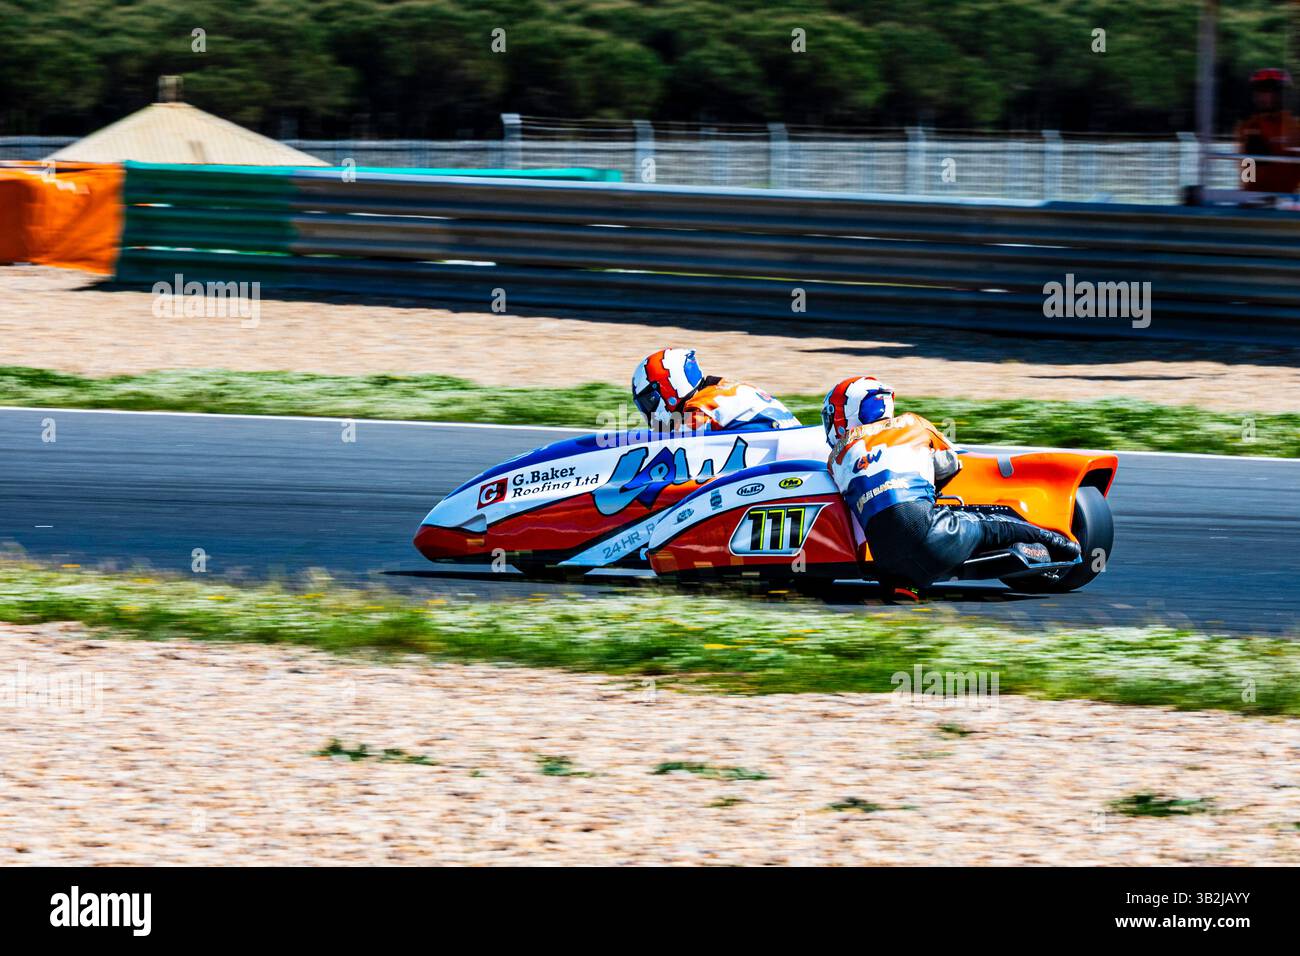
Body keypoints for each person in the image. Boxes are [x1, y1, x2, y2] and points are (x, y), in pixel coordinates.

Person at [821, 376, 1079, 601]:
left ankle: (908, 586)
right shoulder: (912, 423)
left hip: (885, 562)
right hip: (933, 536)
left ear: (848, 412)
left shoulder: (836, 458)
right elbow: (951, 463)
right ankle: (1064, 546)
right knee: (994, 525)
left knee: (907, 562)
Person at [632, 348, 801, 432]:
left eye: (649, 401)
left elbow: (672, 450)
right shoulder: (724, 389)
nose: (648, 410)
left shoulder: (701, 407)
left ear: (670, 388)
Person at [1234, 68, 1300, 194]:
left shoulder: (1295, 127)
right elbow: (1248, 176)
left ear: (1281, 94)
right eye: (1258, 91)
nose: (1260, 97)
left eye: (1266, 91)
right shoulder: (1249, 127)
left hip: (1287, 199)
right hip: (1254, 197)